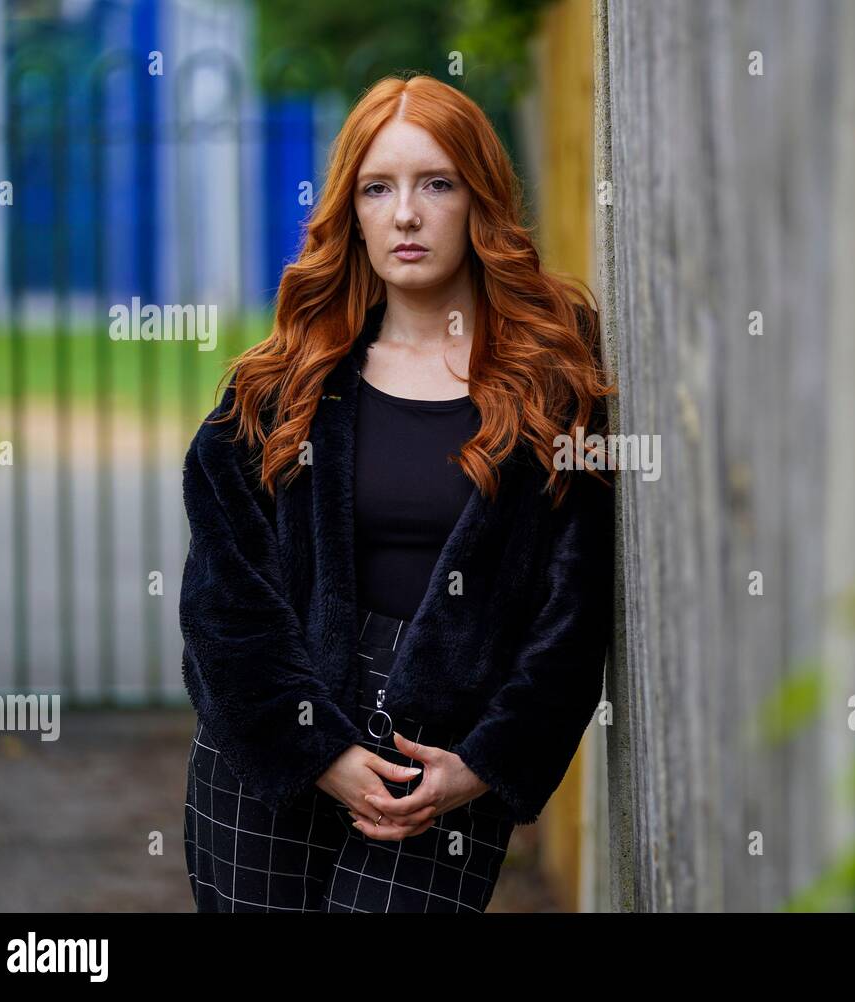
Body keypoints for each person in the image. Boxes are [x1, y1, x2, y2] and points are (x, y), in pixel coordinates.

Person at [180, 72, 616, 913]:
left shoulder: (550, 389)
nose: (406, 214)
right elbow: (223, 598)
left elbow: (575, 612)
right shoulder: (279, 388)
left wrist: (485, 764)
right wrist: (315, 750)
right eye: (379, 188)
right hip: (267, 756)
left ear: (478, 199)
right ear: (352, 211)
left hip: (442, 767)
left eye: (436, 184)